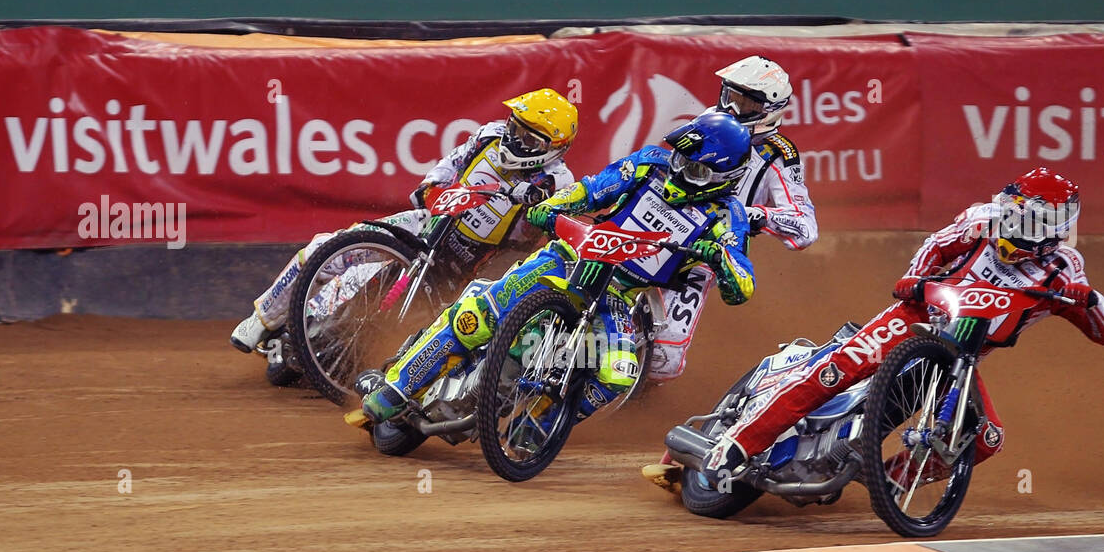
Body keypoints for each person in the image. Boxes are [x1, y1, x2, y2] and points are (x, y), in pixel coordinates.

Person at [696, 166, 1104, 488]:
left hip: (961, 358)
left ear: (1054, 233)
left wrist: (1091, 302)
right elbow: (936, 244)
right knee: (836, 370)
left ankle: (888, 483)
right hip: (918, 319)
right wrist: (915, 279)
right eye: (1011, 214)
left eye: (1025, 223)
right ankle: (735, 447)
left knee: (986, 439)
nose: (1009, 226)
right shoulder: (981, 219)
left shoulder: (1064, 269)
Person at [349, 110, 757, 430]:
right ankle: (396, 389)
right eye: (682, 157)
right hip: (572, 257)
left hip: (620, 296)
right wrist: (555, 206)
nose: (682, 170)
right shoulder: (651, 163)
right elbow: (593, 189)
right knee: (482, 311)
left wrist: (721, 257)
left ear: (726, 176)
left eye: (697, 168)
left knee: (617, 373)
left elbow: (743, 285)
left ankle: (540, 422)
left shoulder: (729, 216)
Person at [229, 88, 579, 356]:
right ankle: (261, 320)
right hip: (427, 225)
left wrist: (536, 214)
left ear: (553, 148)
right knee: (327, 245)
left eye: (528, 138)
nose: (514, 138)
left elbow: (544, 238)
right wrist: (431, 190)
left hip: (468, 270)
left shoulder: (558, 182)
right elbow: (447, 166)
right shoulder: (488, 135)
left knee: (443, 335)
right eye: (515, 127)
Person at [650, 55, 819, 381]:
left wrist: (754, 215)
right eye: (731, 97)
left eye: (747, 105)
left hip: (703, 252)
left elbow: (806, 229)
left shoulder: (779, 155)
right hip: (659, 223)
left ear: (772, 109)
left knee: (663, 361)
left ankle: (635, 397)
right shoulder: (708, 121)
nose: (734, 111)